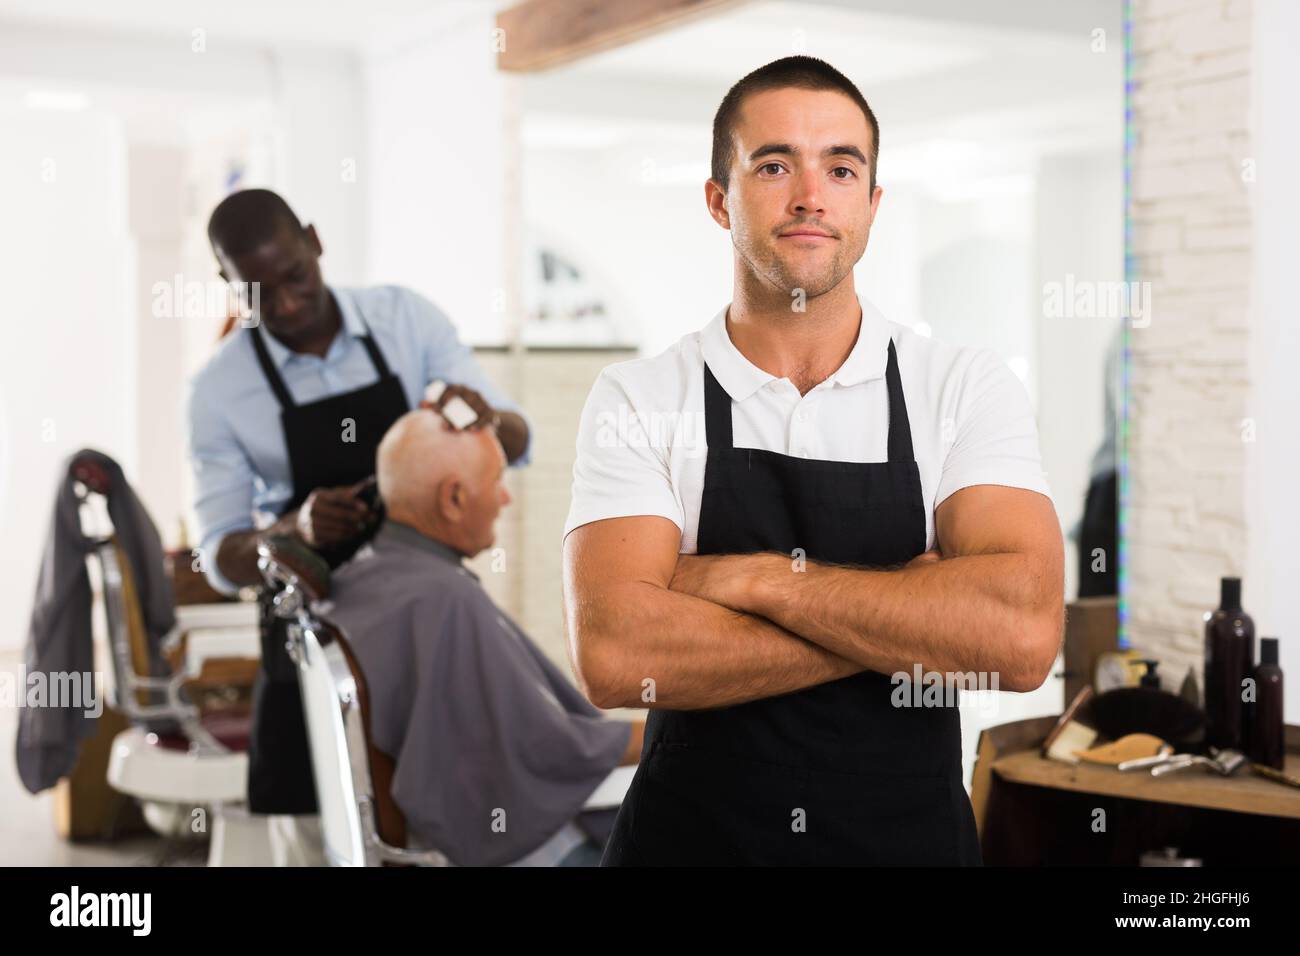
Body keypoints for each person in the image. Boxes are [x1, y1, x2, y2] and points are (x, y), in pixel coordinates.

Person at [562, 56, 1065, 866]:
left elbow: (1020, 638)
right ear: (718, 201)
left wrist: (755, 581)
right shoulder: (641, 396)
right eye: (774, 166)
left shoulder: (962, 387)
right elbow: (617, 656)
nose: (810, 196)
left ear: (871, 204)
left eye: (840, 168)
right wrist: (911, 616)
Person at [186, 189, 532, 853]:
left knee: (448, 823)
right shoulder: (216, 393)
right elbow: (222, 558)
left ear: (315, 242)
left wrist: (485, 419)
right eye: (258, 294)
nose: (287, 306)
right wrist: (289, 530)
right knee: (319, 839)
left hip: (427, 627)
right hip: (310, 649)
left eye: (295, 277)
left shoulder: (404, 320)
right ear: (227, 284)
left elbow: (516, 440)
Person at [325, 410, 642, 866]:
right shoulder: (443, 598)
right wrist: (663, 733)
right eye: (497, 480)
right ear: (453, 499)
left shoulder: (365, 573)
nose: (506, 497)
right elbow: (547, 751)